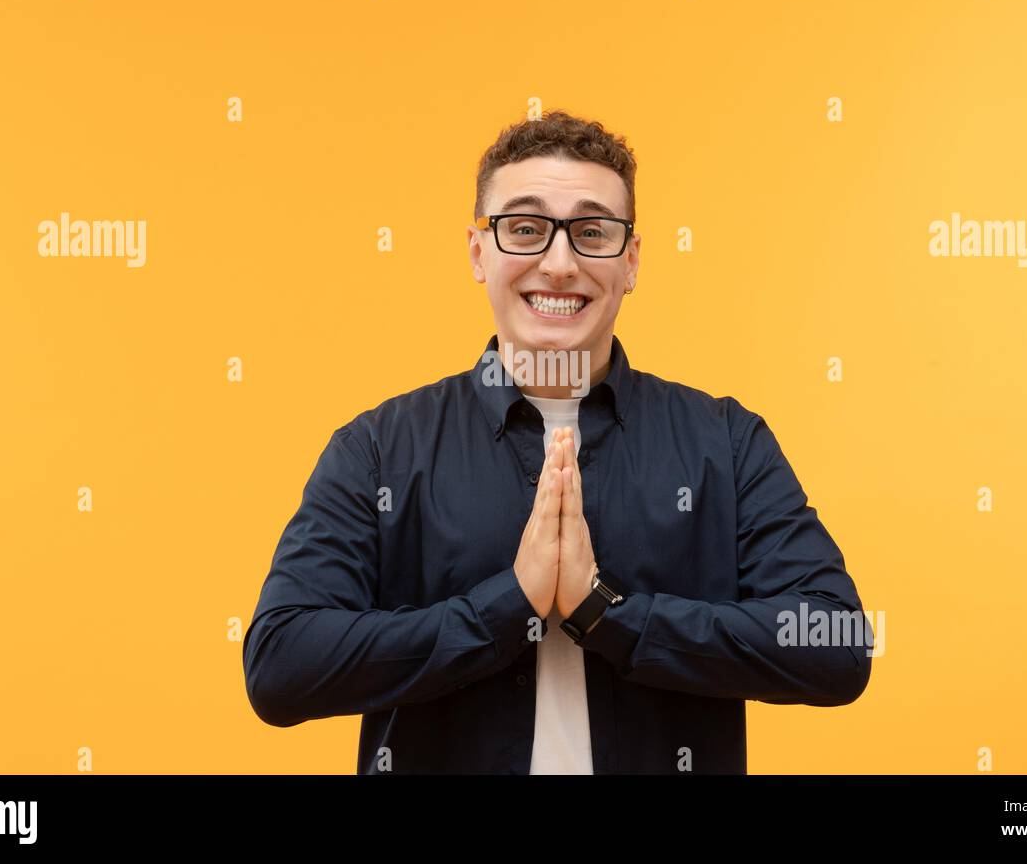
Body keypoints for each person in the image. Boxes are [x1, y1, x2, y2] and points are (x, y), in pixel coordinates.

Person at [242, 109, 872, 774]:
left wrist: (605, 615)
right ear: (477, 252)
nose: (560, 262)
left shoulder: (726, 442)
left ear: (631, 261)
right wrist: (507, 606)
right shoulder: (378, 450)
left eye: (592, 232)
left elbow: (837, 645)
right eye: (525, 228)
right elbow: (281, 663)